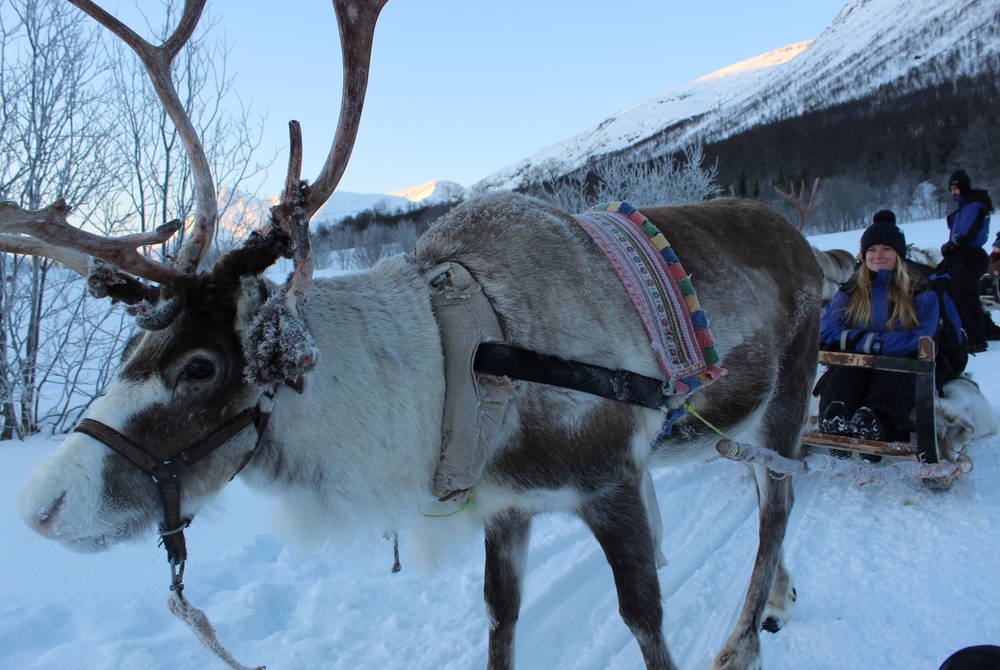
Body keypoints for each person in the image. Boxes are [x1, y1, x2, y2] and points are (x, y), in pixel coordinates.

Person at [817, 211, 940, 460]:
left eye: (886, 249)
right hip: (857, 362)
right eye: (872, 249)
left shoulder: (920, 288)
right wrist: (871, 343)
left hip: (899, 366)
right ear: (864, 254)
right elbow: (827, 329)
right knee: (845, 372)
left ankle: (875, 426)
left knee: (890, 376)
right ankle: (836, 419)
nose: (878, 255)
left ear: (899, 253)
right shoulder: (852, 288)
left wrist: (861, 341)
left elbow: (923, 336)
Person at [940, 169, 993, 352]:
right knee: (960, 295)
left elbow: (966, 233)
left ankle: (977, 339)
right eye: (951, 190)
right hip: (963, 255)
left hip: (968, 256)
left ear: (963, 187)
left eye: (956, 189)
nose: (954, 193)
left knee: (967, 297)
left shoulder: (973, 205)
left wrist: (952, 245)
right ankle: (980, 331)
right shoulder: (966, 206)